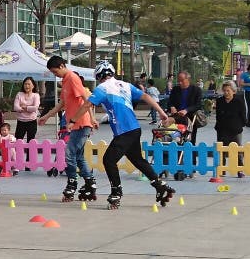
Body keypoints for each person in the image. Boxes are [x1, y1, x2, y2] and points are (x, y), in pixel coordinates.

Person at [69, 61, 175, 209]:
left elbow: (87, 105)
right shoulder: (126, 85)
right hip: (134, 129)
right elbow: (146, 96)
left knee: (108, 160)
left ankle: (116, 193)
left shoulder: (102, 88)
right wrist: (162, 113)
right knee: (137, 160)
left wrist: (73, 120)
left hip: (124, 131)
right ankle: (160, 185)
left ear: (99, 76)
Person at [38, 56, 98, 202]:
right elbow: (61, 104)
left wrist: (92, 119)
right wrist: (46, 116)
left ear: (62, 66)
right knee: (78, 156)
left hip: (81, 123)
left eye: (55, 71)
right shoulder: (65, 81)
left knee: (69, 154)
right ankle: (90, 183)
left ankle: (72, 182)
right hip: (75, 124)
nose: (55, 74)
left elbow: (86, 99)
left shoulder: (72, 78)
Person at [167, 71, 203, 169]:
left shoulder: (196, 90)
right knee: (174, 139)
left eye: (182, 80)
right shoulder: (175, 89)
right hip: (176, 118)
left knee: (190, 141)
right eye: (178, 80)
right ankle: (175, 162)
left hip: (190, 119)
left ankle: (192, 165)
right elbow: (169, 102)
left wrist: (186, 110)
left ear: (188, 80)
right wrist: (172, 107)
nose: (180, 83)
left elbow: (198, 105)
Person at [214, 80, 245, 177]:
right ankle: (222, 170)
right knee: (222, 150)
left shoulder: (239, 100)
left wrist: (241, 125)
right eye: (224, 91)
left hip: (235, 129)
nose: (226, 93)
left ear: (233, 91)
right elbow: (218, 115)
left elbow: (243, 115)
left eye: (228, 90)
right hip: (222, 128)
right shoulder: (220, 101)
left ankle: (240, 170)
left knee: (238, 150)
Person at [13, 76, 40, 142]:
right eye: (25, 84)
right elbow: (16, 107)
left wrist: (25, 107)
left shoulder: (36, 95)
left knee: (31, 141)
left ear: (33, 86)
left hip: (32, 121)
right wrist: (28, 108)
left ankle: (30, 150)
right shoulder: (19, 94)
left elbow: (35, 108)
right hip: (21, 121)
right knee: (18, 140)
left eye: (29, 84)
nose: (27, 86)